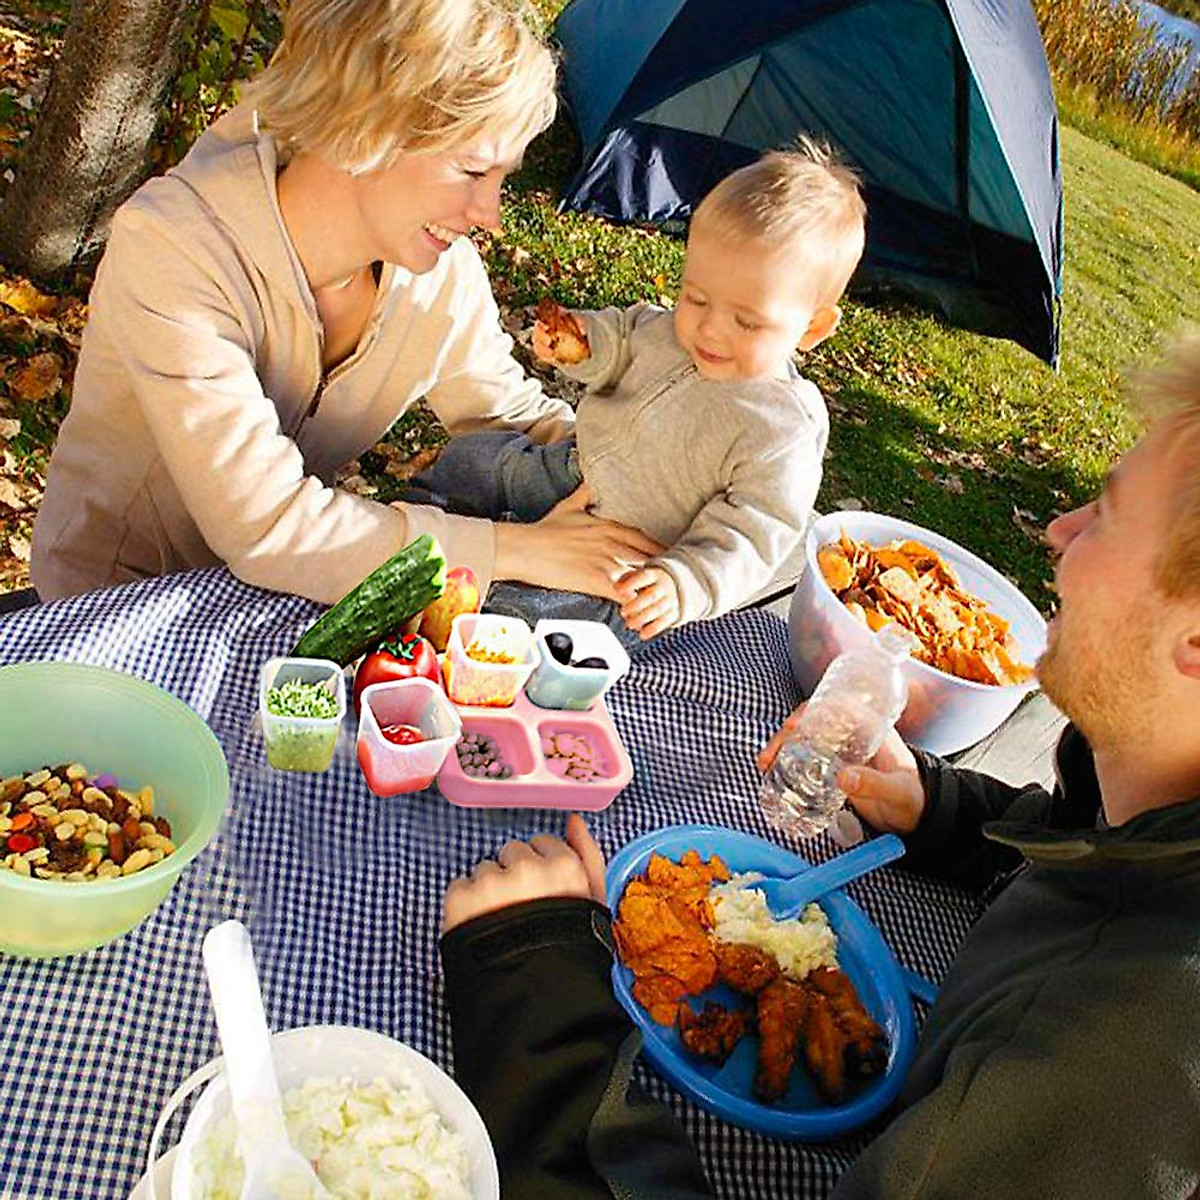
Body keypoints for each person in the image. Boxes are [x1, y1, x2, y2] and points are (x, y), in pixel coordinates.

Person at [439, 330, 1200, 1198]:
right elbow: (1111, 870)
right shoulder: (1147, 821)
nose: (1057, 532)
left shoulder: (1121, 1059)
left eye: (1103, 514)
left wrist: (535, 992)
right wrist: (946, 813)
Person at [30, 0, 659, 608]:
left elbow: (509, 416)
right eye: (471, 171)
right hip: (107, 612)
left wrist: (653, 468)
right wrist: (519, 551)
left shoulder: (439, 276)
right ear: (367, 129)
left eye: (501, 180)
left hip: (277, 602)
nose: (490, 215)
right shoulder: (174, 249)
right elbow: (269, 523)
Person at [407, 143, 865, 644]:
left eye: (747, 321)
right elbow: (623, 338)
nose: (709, 330)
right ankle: (426, 512)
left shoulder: (782, 428)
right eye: (696, 297)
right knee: (483, 459)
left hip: (633, 551)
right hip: (575, 471)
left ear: (812, 329)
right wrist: (585, 346)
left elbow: (754, 535)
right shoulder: (669, 331)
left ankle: (477, 615)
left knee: (557, 612)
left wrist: (682, 582)